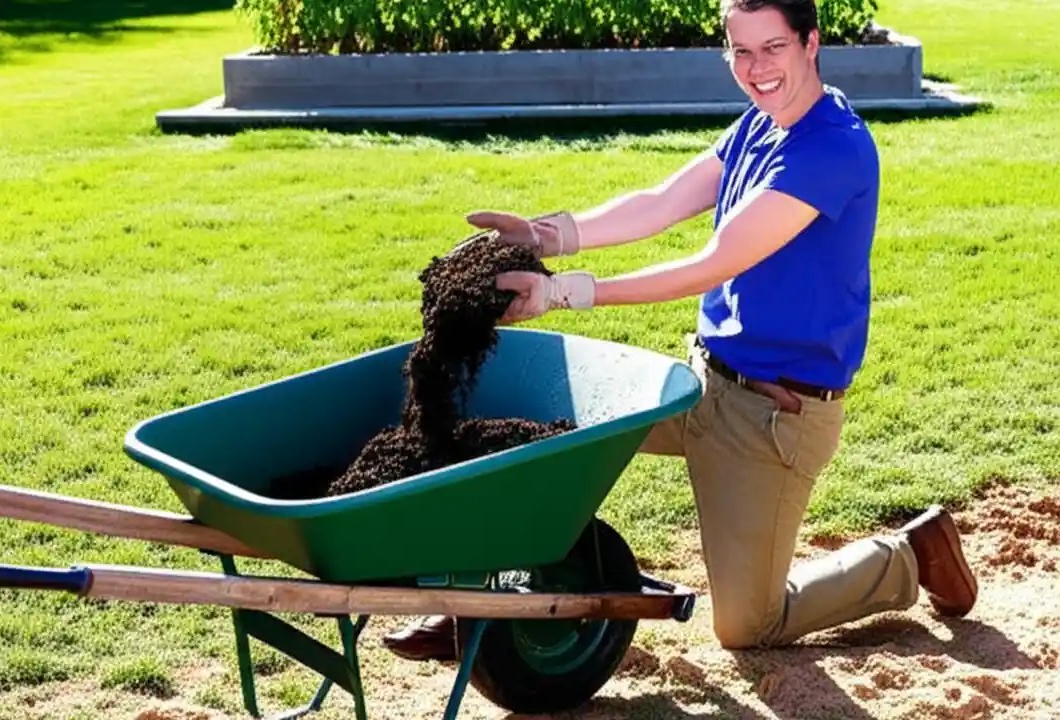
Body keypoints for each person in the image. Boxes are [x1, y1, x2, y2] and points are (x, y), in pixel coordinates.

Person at [383, 0, 977, 660]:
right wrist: (548, 234)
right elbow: (664, 202)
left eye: (772, 48)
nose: (756, 69)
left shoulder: (831, 149)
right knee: (533, 434)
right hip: (697, 382)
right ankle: (487, 598)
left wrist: (563, 291)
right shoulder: (762, 124)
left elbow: (712, 265)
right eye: (740, 51)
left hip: (772, 417)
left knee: (749, 625)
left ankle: (909, 557)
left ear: (811, 43)